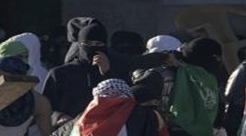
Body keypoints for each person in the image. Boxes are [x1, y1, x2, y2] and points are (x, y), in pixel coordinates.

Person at [43, 18, 171, 125]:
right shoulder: (60, 74)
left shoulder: (116, 69)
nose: (94, 48)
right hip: (69, 133)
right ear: (80, 45)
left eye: (99, 44)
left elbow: (125, 101)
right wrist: (59, 117)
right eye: (89, 43)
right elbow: (45, 108)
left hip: (108, 134)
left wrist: (107, 73)